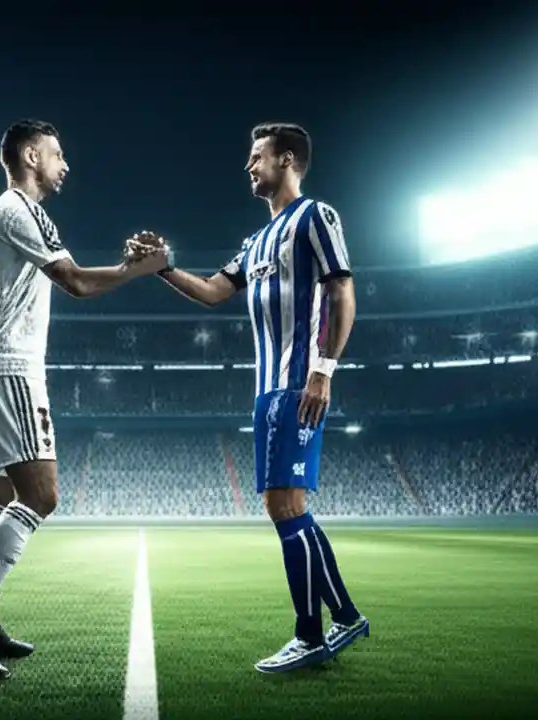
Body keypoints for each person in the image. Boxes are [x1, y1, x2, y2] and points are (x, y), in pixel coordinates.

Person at [129, 122, 368, 673]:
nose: (248, 166)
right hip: (265, 393)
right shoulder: (256, 242)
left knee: (284, 506)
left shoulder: (316, 216)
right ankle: (347, 616)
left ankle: (310, 636)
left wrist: (323, 369)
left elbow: (342, 289)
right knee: (287, 507)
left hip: (298, 384)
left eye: (257, 157)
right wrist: (162, 268)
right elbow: (214, 291)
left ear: (287, 160)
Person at [0, 118, 169, 679]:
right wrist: (139, 270)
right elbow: (79, 283)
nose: (65, 165)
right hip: (13, 368)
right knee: (41, 496)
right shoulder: (23, 209)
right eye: (57, 154)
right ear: (28, 155)